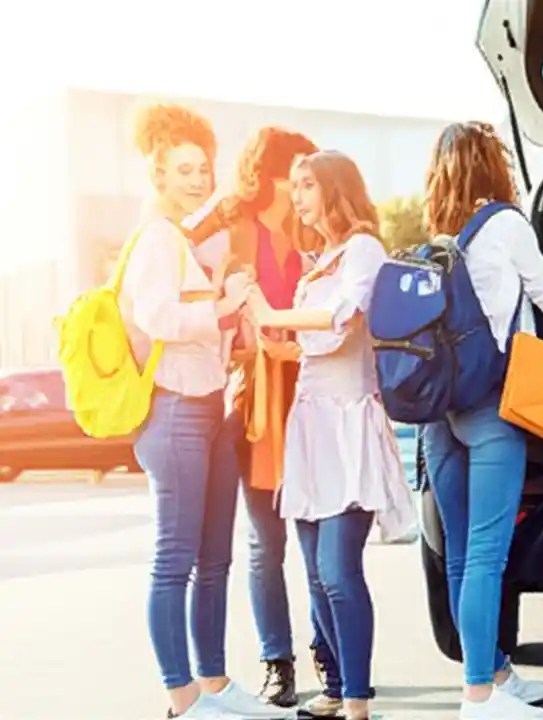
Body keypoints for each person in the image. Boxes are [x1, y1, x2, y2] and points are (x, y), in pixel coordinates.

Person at [419, 121, 543, 720]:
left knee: (458, 554)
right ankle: (479, 696)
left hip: (438, 410)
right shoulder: (505, 223)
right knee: (485, 554)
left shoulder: (440, 236)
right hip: (491, 406)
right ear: (492, 167)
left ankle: (496, 673)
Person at [122, 103, 287, 720]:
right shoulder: (157, 239)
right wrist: (219, 309)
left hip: (211, 411)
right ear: (159, 174)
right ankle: (181, 697)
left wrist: (229, 298)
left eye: (203, 167)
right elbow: (158, 317)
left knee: (214, 558)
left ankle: (214, 686)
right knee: (175, 560)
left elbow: (200, 321)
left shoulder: (189, 241)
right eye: (184, 169)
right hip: (174, 414)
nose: (198, 178)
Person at [243, 149, 416, 720]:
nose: (298, 196)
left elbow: (342, 319)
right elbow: (312, 344)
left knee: (340, 571)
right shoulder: (319, 260)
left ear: (337, 189)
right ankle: (339, 688)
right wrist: (269, 335)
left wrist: (270, 312)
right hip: (311, 425)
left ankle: (360, 700)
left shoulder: (364, 248)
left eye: (308, 184)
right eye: (294, 185)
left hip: (349, 426)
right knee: (316, 573)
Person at [187, 127, 346, 709]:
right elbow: (208, 296)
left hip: (306, 391)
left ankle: (330, 658)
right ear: (277, 175)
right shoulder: (237, 233)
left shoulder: (308, 238)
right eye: (299, 172)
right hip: (256, 400)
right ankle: (277, 660)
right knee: (266, 540)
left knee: (315, 538)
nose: (305, 185)